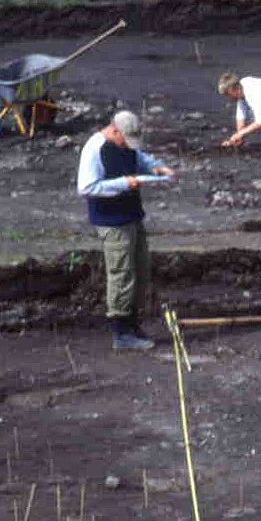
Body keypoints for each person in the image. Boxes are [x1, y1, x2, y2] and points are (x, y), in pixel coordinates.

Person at [76, 110, 173, 351]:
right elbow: (86, 187)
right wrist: (123, 183)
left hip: (132, 215)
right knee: (121, 275)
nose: (127, 145)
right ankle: (121, 333)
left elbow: (137, 156)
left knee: (140, 271)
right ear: (114, 130)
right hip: (112, 221)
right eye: (125, 140)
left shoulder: (123, 145)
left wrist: (156, 166)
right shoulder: (95, 149)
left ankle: (133, 325)